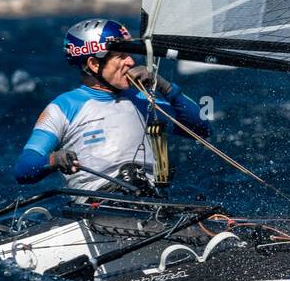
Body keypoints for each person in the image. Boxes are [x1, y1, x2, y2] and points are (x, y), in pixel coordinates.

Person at [12, 18, 210, 195]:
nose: (131, 61)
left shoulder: (141, 100)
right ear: (93, 64)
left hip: (151, 202)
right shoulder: (63, 108)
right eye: (121, 56)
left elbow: (202, 129)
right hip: (97, 209)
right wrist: (54, 160)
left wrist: (164, 86)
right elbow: (23, 169)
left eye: (129, 54)